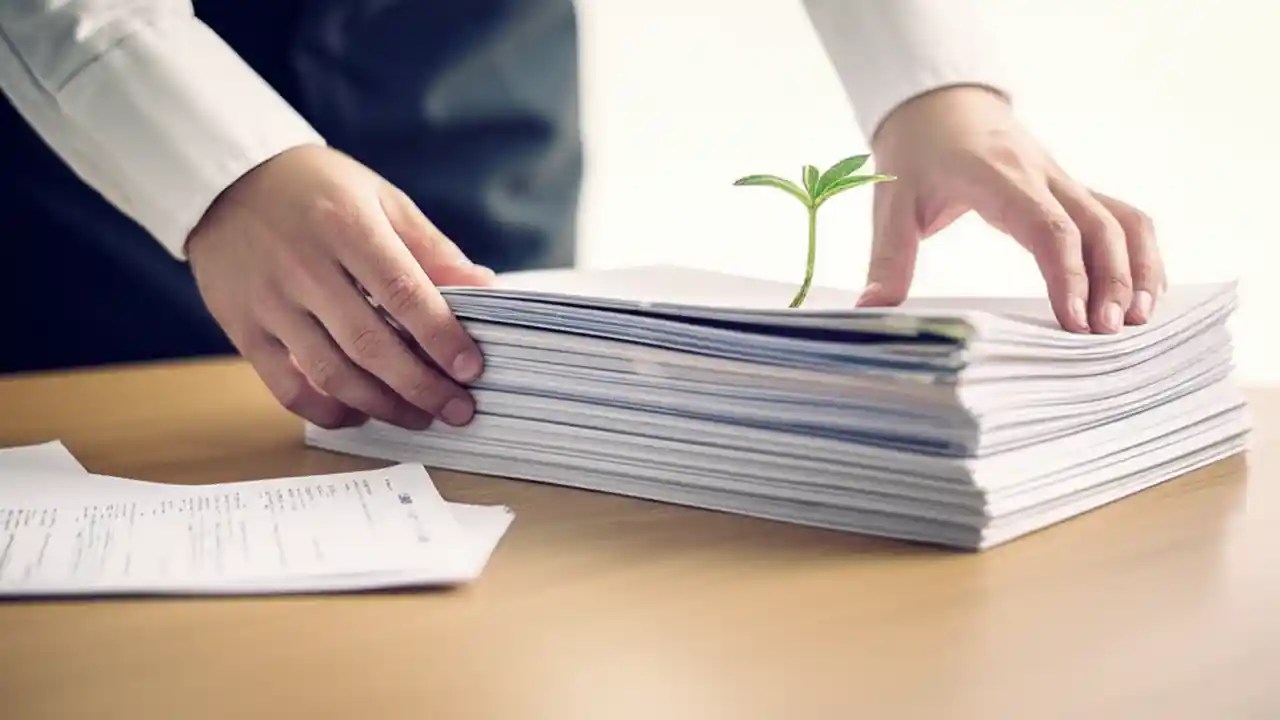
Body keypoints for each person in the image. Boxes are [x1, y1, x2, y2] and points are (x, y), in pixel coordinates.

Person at [0, 1, 1163, 432]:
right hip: (93, 167)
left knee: (470, 437)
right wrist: (218, 172)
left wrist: (933, 84)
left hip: (461, 76)